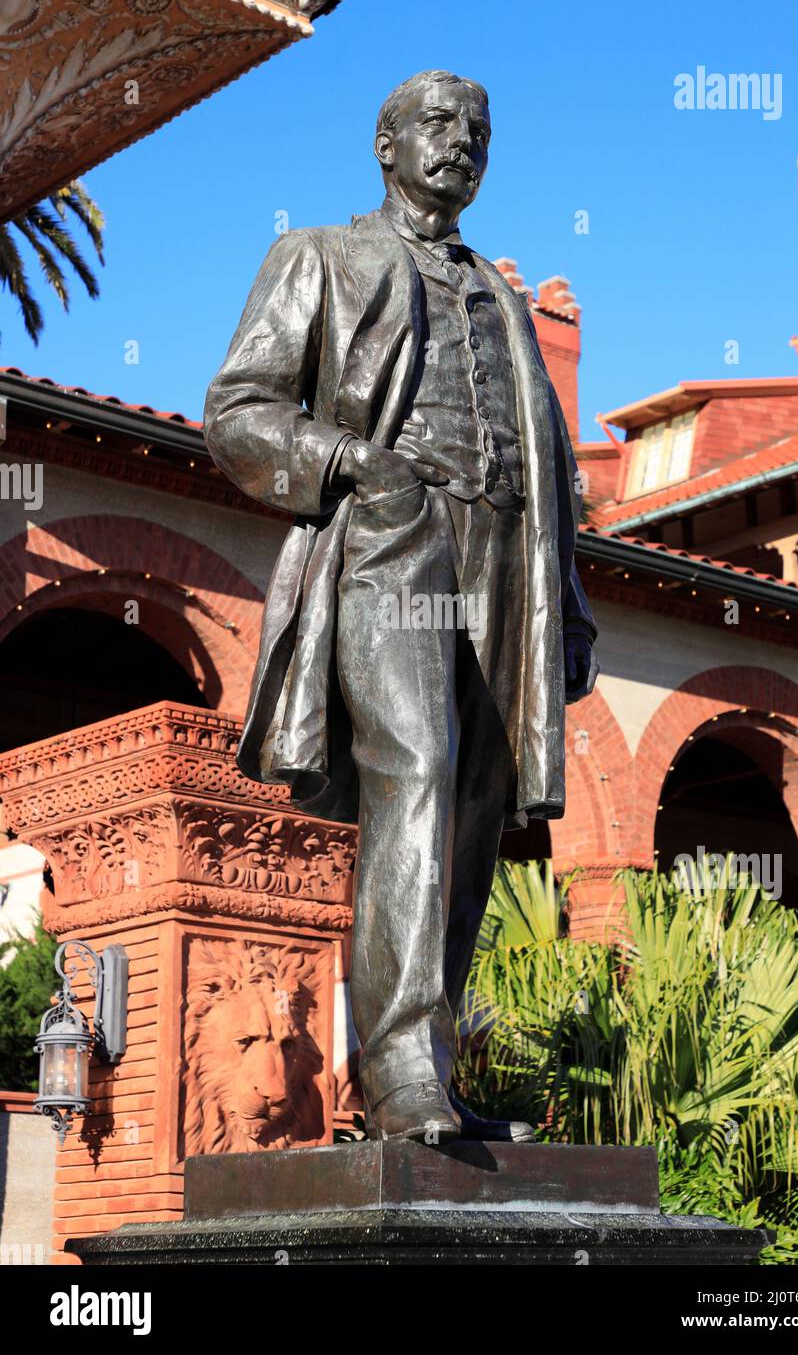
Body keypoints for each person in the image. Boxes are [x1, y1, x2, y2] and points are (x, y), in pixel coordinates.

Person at [204, 70, 598, 1143]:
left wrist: (566, 607)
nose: (461, 140)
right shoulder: (320, 256)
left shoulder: (503, 300)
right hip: (392, 540)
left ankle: (433, 1074)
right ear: (385, 145)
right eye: (438, 122)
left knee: (474, 803)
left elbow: (553, 472)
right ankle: (399, 1073)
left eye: (479, 129)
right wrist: (356, 465)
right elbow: (237, 412)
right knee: (415, 765)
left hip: (503, 558)